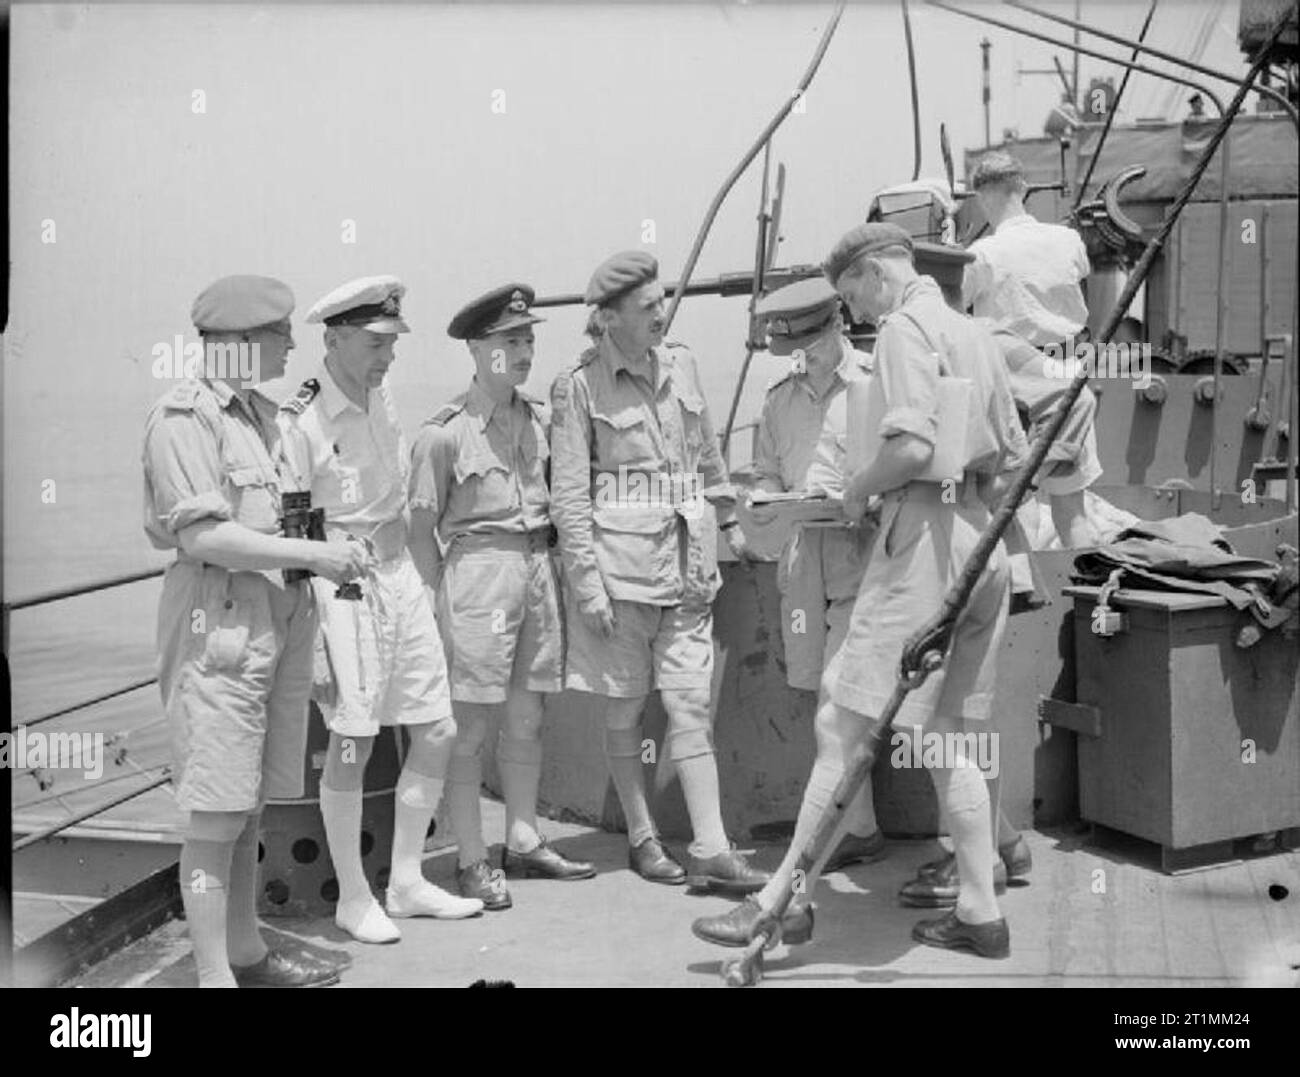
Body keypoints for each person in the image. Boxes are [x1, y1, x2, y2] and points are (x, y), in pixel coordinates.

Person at [694, 223, 1028, 958]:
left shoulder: (906, 328)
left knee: (839, 728)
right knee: (944, 734)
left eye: (853, 295)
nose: (858, 313)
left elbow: (909, 446)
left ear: (877, 272)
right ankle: (981, 911)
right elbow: (1011, 458)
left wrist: (858, 489)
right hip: (980, 538)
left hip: (921, 543)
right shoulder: (973, 332)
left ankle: (781, 902)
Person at [144, 275, 367, 987]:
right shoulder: (185, 418)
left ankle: (246, 956)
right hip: (219, 633)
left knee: (247, 807)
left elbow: (283, 520)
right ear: (240, 341)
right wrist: (316, 557)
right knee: (215, 816)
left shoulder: (262, 418)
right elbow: (204, 536)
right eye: (279, 333)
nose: (291, 345)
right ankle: (215, 977)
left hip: (272, 626)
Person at [548, 250, 769, 894]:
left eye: (663, 300)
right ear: (610, 317)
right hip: (621, 580)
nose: (661, 313)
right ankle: (643, 836)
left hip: (688, 569)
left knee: (689, 705)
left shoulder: (682, 364)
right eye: (647, 306)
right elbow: (570, 496)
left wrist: (729, 524)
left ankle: (712, 848)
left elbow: (707, 455)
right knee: (625, 712)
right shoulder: (579, 387)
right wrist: (587, 585)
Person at [278, 275, 483, 944]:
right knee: (353, 739)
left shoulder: (381, 395)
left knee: (438, 727)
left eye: (392, 342)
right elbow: (293, 538)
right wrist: (313, 636)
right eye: (375, 344)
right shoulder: (301, 423)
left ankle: (406, 881)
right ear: (335, 340)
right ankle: (353, 896)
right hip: (342, 587)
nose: (388, 356)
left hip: (398, 576)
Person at [408, 283, 596, 912]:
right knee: (468, 729)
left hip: (538, 568)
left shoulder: (541, 421)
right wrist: (444, 598)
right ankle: (471, 859)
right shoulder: (444, 434)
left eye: (529, 340)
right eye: (510, 341)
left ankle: (522, 838)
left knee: (527, 717)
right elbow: (419, 531)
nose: (524, 352)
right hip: (478, 576)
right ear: (476, 349)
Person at [749, 277, 886, 872]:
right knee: (819, 694)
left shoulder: (876, 383)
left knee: (839, 697)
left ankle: (838, 833)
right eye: (793, 350)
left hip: (863, 558)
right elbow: (766, 473)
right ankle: (859, 826)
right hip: (804, 564)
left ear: (837, 325)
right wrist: (767, 503)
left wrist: (863, 498)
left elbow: (906, 468)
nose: (803, 358)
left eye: (810, 345)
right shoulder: (779, 400)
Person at [963, 150, 1098, 547]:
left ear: (981, 197)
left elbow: (959, 308)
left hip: (1015, 386)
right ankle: (1086, 584)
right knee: (1073, 512)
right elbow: (1081, 274)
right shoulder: (1068, 239)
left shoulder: (983, 254)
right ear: (1022, 188)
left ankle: (1025, 586)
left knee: (1016, 508)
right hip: (1068, 378)